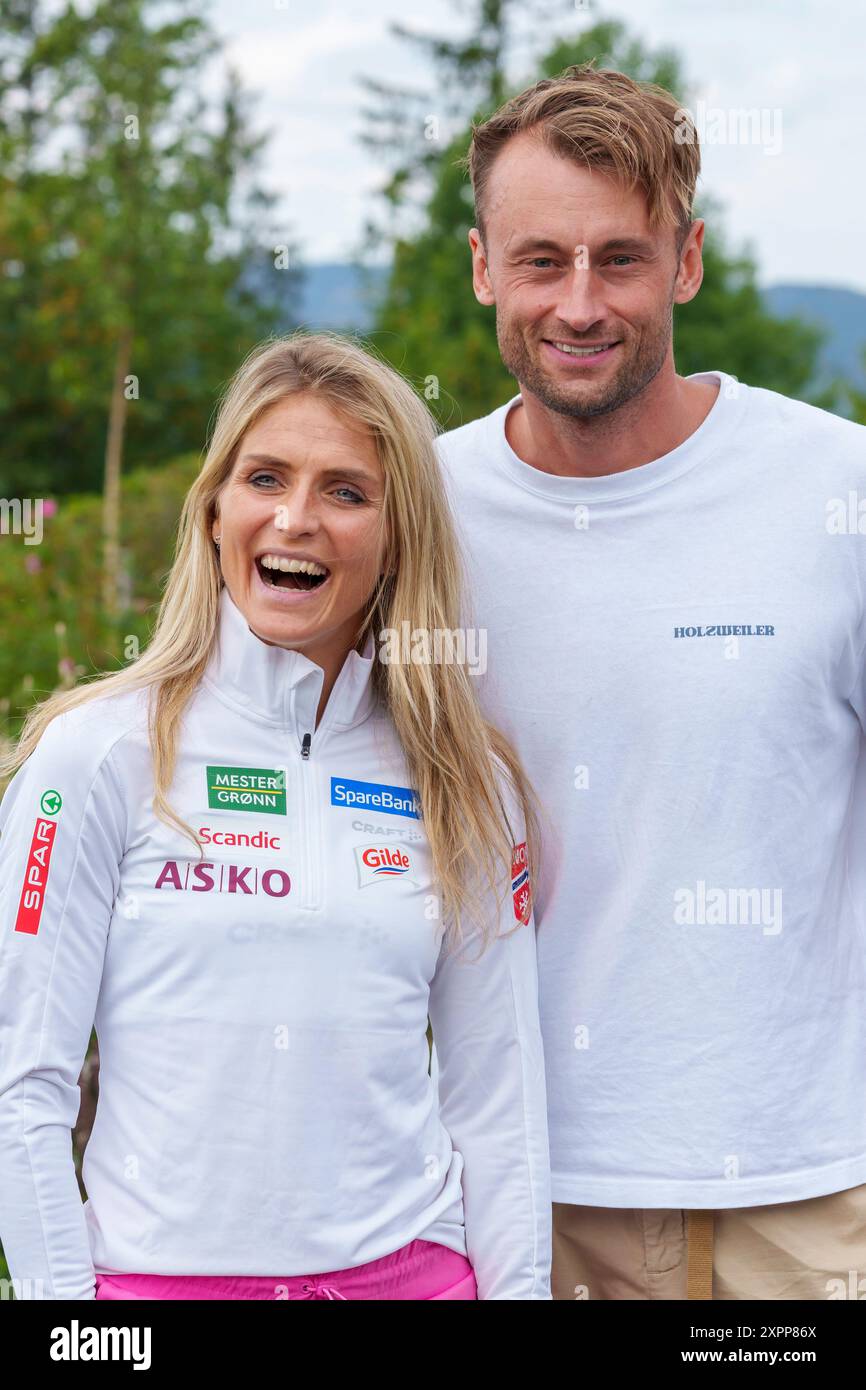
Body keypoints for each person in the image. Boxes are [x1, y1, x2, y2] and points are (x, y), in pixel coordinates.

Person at [434, 62, 866, 1301]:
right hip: (520, 1192)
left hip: (812, 1195)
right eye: (539, 261)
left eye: (618, 259)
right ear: (481, 267)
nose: (578, 303)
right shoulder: (412, 515)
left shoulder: (833, 491)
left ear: (683, 262)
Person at [0, 331, 551, 1301]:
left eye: (346, 491)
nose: (295, 519)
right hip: (158, 1289)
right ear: (214, 508)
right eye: (264, 477)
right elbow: (20, 1089)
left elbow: (496, 1098)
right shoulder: (94, 756)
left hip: (414, 1280)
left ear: (397, 536)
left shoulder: (465, 780)